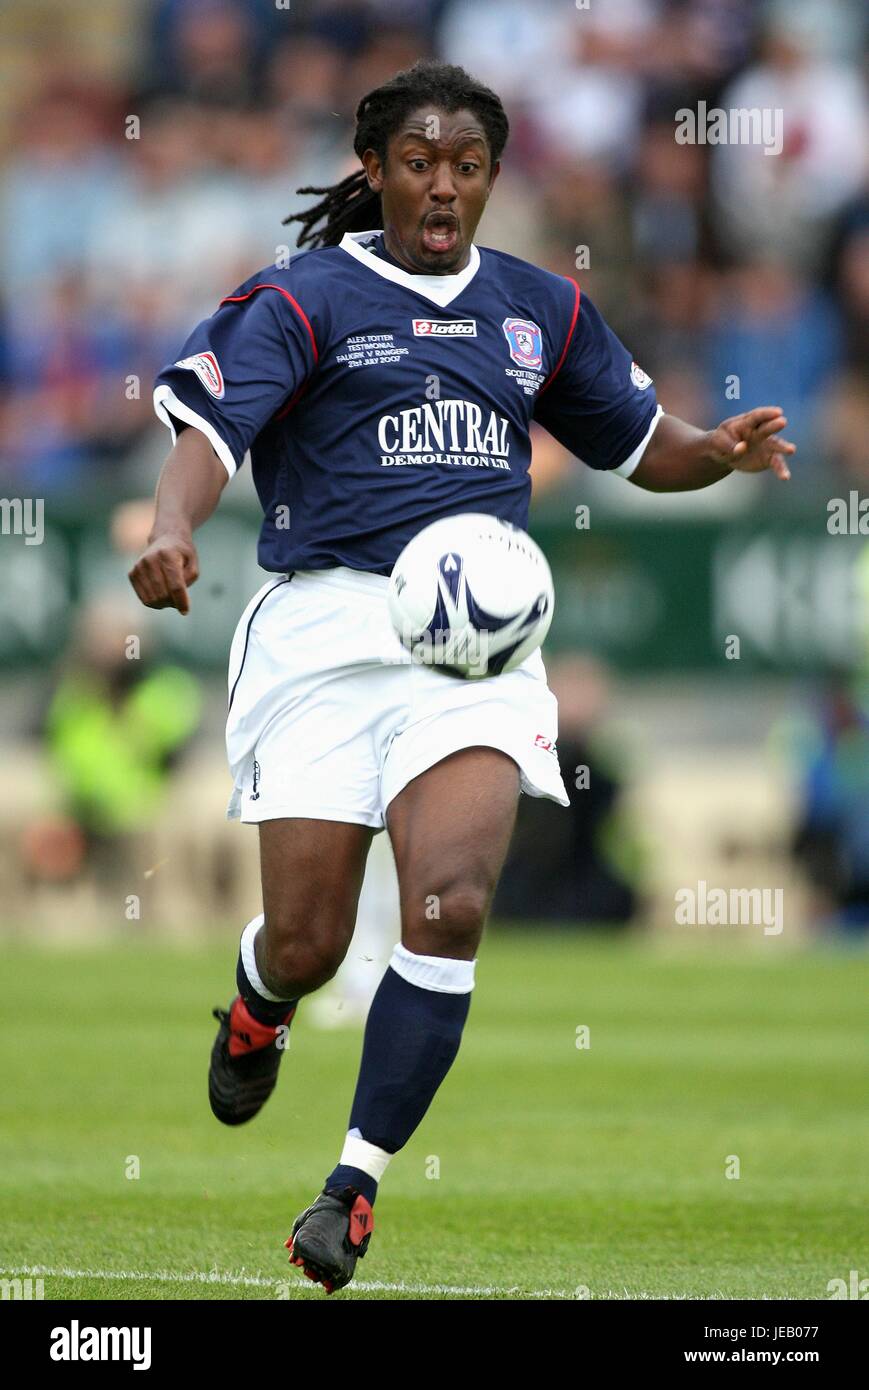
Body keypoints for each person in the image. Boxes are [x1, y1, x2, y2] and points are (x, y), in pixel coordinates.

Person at [128, 59, 795, 1294]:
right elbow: (207, 434)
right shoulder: (303, 297)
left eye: (467, 165)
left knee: (449, 902)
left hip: (473, 655)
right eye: (418, 162)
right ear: (373, 170)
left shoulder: (539, 307)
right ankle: (257, 999)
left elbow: (641, 446)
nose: (442, 186)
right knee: (316, 937)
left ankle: (352, 1186)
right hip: (325, 631)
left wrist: (714, 449)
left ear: (492, 177)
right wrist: (173, 526)